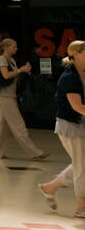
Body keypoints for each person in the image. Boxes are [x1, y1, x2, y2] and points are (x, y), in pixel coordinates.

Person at [38, 41, 85, 219]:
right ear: (76, 54)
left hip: (80, 124)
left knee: (81, 164)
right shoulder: (69, 78)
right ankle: (81, 208)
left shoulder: (82, 73)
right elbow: (77, 106)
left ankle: (49, 187)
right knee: (82, 167)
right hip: (71, 127)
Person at [0, 38, 45, 160]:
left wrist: (23, 71)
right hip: (4, 96)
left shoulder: (12, 60)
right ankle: (35, 153)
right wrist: (20, 70)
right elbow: (6, 75)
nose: (16, 48)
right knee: (18, 124)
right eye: (14, 46)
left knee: (3, 126)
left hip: (10, 95)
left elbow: (14, 76)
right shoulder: (2, 59)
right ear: (7, 47)